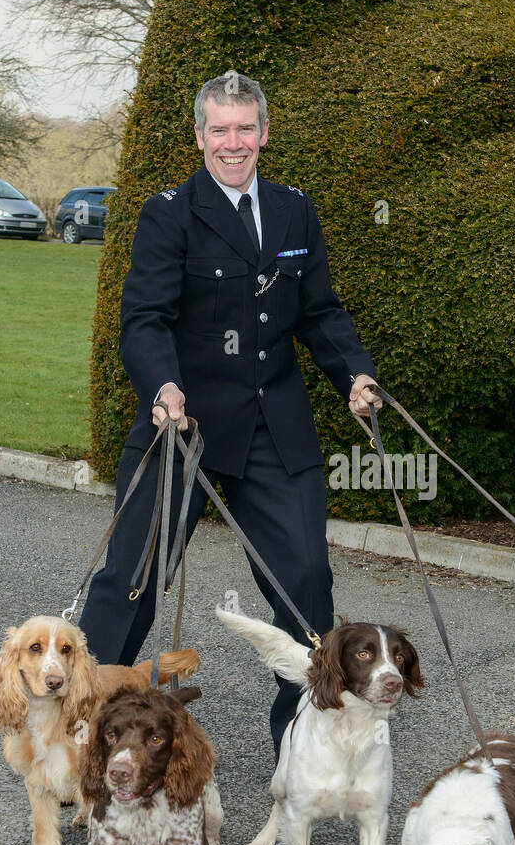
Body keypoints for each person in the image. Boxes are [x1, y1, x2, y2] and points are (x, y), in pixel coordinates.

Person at [79, 71, 381, 759]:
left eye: (245, 128)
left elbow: (320, 311)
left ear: (264, 133)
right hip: (182, 423)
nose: (233, 142)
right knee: (128, 585)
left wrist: (354, 375)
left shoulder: (293, 211)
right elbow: (144, 321)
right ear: (199, 136)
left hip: (275, 426)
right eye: (220, 129)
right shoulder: (168, 214)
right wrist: (162, 386)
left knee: (307, 586)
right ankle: (89, 746)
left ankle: (304, 755)